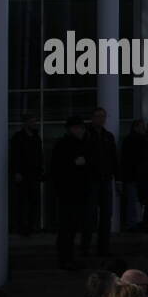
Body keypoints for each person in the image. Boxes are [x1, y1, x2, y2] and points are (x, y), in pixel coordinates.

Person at [50, 115, 94, 270]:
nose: (80, 130)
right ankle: (65, 258)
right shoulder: (64, 145)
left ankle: (69, 257)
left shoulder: (83, 144)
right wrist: (74, 164)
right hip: (69, 192)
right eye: (77, 128)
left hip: (78, 191)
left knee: (73, 226)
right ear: (70, 129)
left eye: (81, 127)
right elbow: (57, 169)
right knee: (67, 227)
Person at [86, 106, 118, 257]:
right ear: (92, 118)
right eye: (98, 116)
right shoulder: (87, 135)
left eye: (103, 116)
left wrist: (115, 176)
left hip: (105, 179)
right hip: (92, 180)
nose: (101, 119)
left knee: (106, 215)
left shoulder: (108, 136)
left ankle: (103, 248)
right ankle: (86, 247)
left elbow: (113, 158)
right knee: (90, 215)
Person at [9, 113, 44, 236]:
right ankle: (22, 227)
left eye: (34, 121)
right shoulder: (19, 138)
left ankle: (30, 226)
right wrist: (17, 172)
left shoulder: (36, 138)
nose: (34, 124)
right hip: (23, 175)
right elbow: (15, 156)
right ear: (25, 123)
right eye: (32, 121)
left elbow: (39, 156)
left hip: (33, 175)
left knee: (32, 201)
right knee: (23, 201)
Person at [120, 119, 148, 231]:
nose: (144, 129)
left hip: (132, 175)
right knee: (135, 201)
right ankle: (134, 223)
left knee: (133, 201)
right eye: (142, 127)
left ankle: (134, 222)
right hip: (136, 175)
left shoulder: (129, 140)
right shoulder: (142, 141)